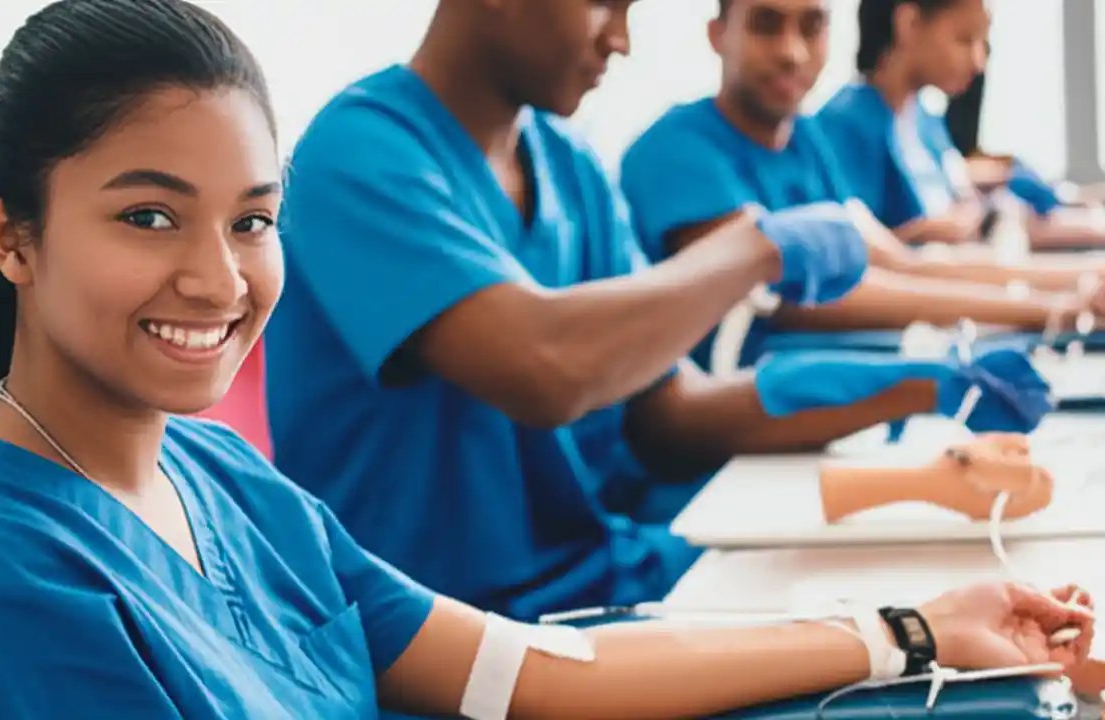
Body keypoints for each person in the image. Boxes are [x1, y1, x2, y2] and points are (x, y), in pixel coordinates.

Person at [0, 2, 1093, 717]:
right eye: (148, 215)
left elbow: (533, 666)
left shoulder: (222, 484)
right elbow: (546, 371)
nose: (220, 279)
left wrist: (913, 628)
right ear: (8, 233)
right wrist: (760, 253)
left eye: (252, 220)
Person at [265, 0, 1051, 625]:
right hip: (444, 635)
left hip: (603, 579)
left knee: (949, 602)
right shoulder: (359, 153)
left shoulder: (568, 165)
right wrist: (755, 248)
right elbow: (544, 370)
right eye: (606, 4)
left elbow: (669, 416)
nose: (624, 41)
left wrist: (931, 384)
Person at [621, 0, 1105, 369]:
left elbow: (903, 264)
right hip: (726, 433)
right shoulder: (675, 152)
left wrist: (1080, 284)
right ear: (717, 34)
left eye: (812, 27)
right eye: (767, 25)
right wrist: (1050, 307)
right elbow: (798, 301)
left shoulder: (806, 139)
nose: (792, 52)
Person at [819, 0, 1105, 250]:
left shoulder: (925, 123)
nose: (978, 62)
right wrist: (917, 237)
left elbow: (961, 194)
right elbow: (849, 252)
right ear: (910, 23)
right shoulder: (844, 127)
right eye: (965, 39)